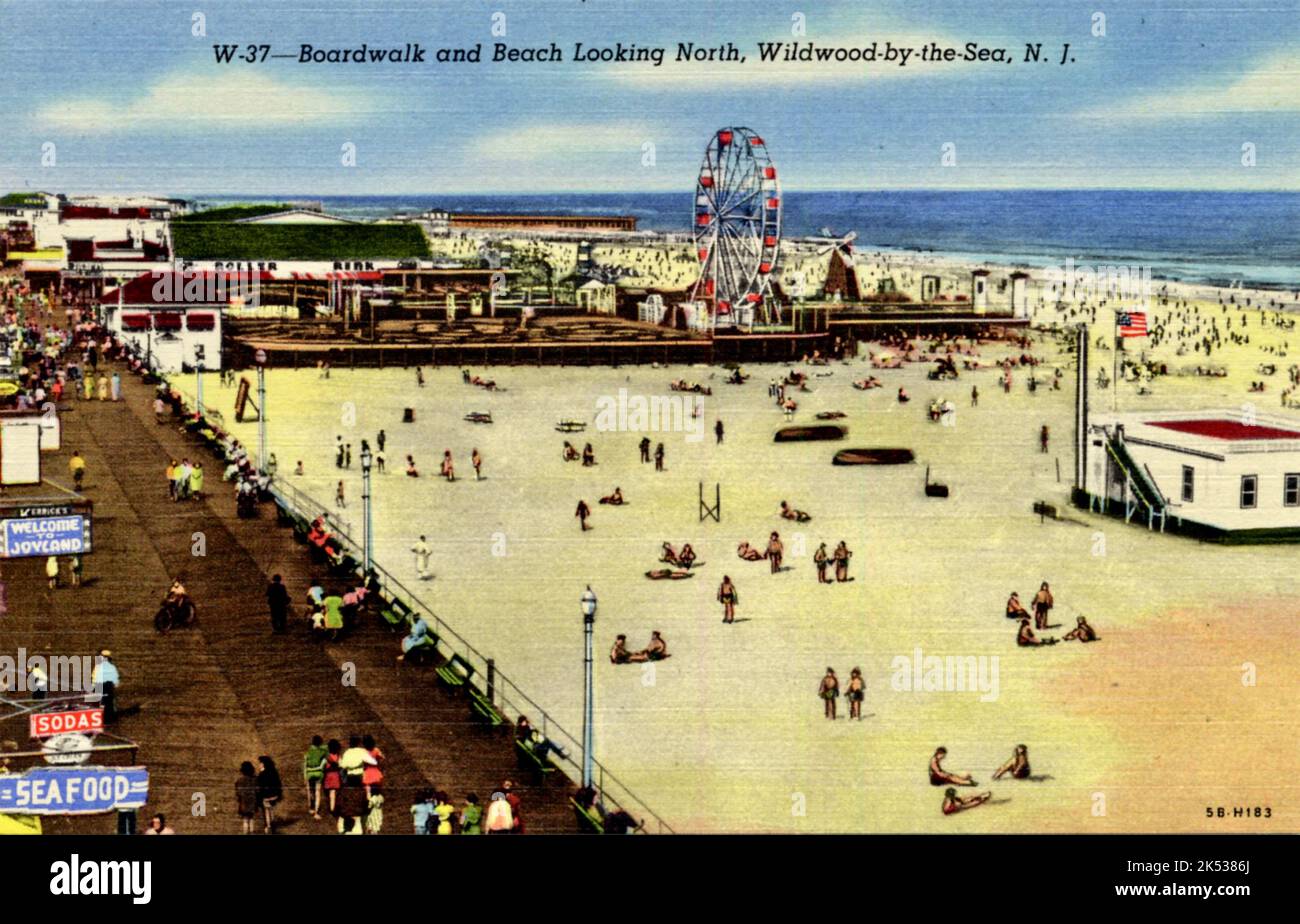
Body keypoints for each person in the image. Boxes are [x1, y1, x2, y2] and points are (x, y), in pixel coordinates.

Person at [256, 756, 283, 834]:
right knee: (271, 810)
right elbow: (278, 784)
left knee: (266, 812)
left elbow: (260, 786)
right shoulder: (274, 772)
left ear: (263, 764)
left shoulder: (262, 774)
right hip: (274, 795)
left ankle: (268, 827)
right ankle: (272, 825)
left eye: (260, 763)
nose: (259, 765)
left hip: (266, 796)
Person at [303, 735, 328, 819]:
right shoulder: (323, 751)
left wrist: (305, 776)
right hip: (318, 774)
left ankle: (311, 808)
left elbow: (305, 765)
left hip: (309, 773)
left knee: (310, 791)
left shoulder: (308, 752)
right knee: (318, 793)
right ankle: (316, 813)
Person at [91, 651, 119, 722]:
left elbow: (94, 677)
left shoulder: (98, 667)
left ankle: (100, 718)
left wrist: (93, 687)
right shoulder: (111, 667)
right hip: (108, 687)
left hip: (100, 686)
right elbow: (115, 678)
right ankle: (109, 718)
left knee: (100, 703)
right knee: (109, 703)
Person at [236, 761, 259, 834]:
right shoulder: (255, 779)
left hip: (244, 802)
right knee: (251, 818)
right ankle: (252, 832)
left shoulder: (240, 780)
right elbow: (258, 790)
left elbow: (238, 792)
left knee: (245, 819)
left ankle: (245, 833)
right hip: (253, 801)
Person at [321, 740, 343, 816]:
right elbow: (341, 765)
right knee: (333, 792)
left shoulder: (327, 757)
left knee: (330, 793)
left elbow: (323, 766)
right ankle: (333, 808)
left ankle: (331, 808)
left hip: (328, 776)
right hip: (335, 776)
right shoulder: (338, 756)